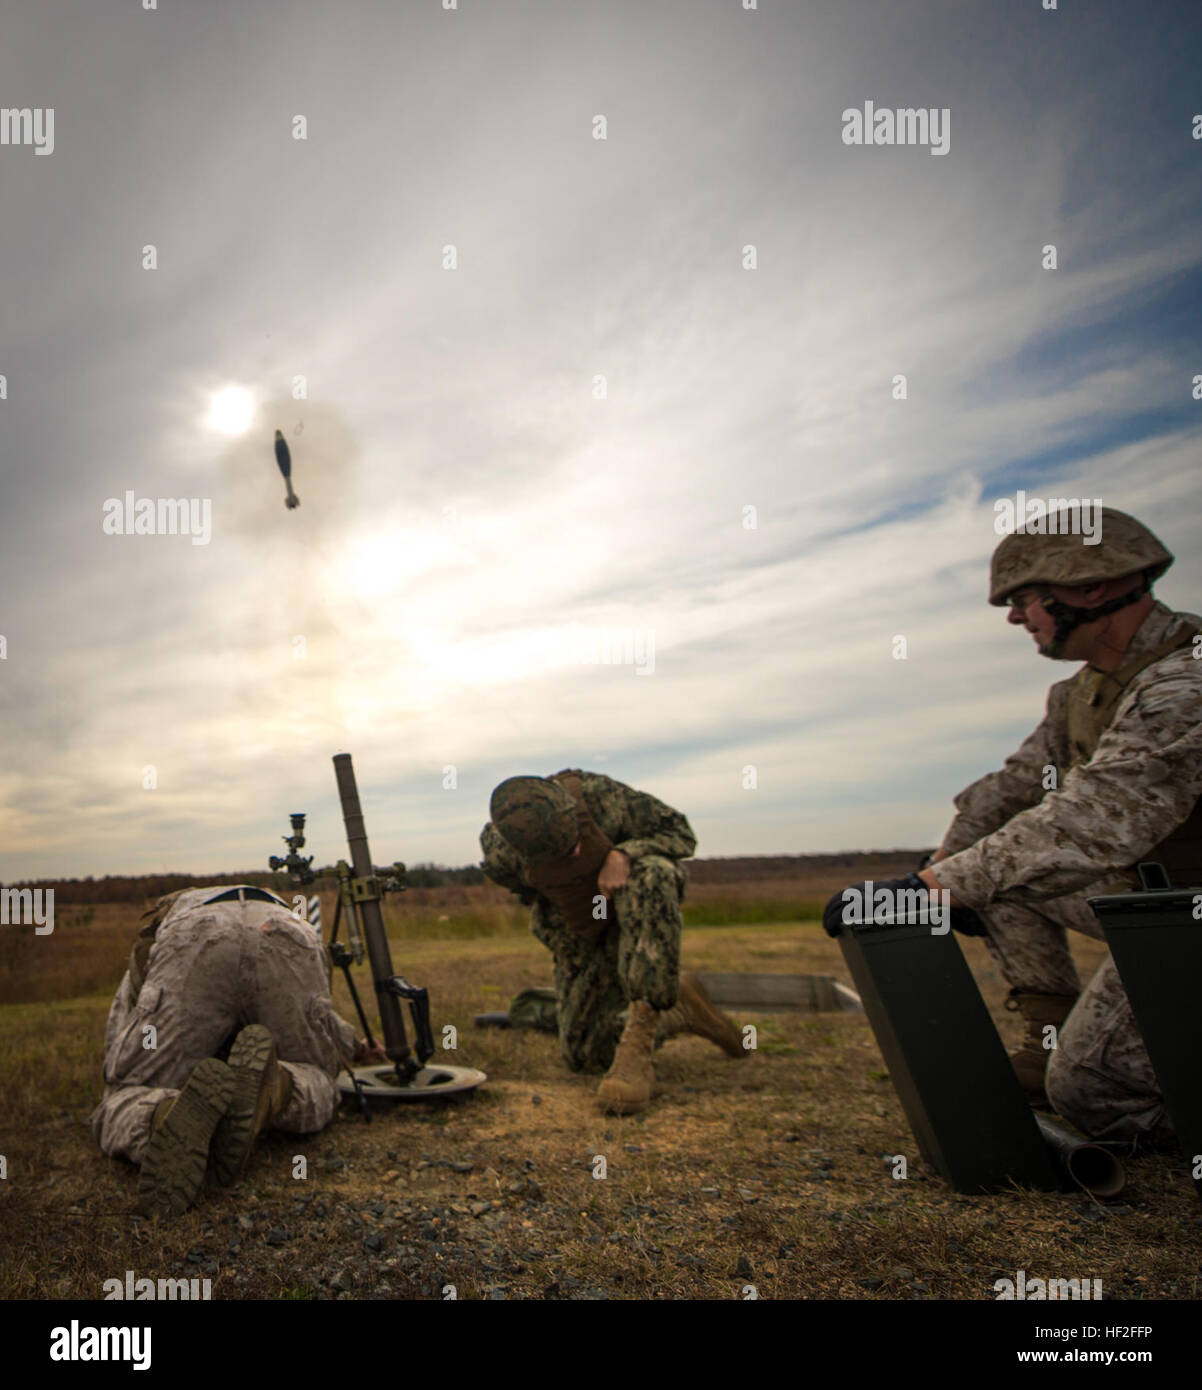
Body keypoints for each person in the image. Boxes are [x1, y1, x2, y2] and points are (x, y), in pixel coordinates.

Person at [830, 507, 1199, 1144]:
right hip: (1160, 907)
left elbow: (1088, 822)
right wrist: (936, 873)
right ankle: (1046, 1037)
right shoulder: (1080, 695)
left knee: (1092, 1092)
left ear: (1092, 588)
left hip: (1178, 917)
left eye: (1024, 597)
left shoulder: (1185, 684)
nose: (1012, 616)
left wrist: (929, 893)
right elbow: (1007, 792)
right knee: (990, 876)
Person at [90, 884, 384, 1217]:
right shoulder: (271, 906)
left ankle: (163, 1114)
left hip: (197, 936)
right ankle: (274, 1089)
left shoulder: (165, 924)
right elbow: (320, 1020)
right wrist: (357, 1047)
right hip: (286, 929)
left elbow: (122, 1032)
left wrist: (122, 1077)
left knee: (127, 1092)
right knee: (317, 1073)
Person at [480, 769, 748, 1113]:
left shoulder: (599, 796)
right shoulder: (502, 855)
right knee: (584, 1056)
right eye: (565, 854)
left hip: (636, 909)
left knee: (652, 873)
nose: (576, 853)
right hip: (584, 929)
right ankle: (681, 1010)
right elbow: (532, 897)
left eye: (576, 843)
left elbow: (680, 833)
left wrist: (624, 853)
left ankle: (645, 1024)